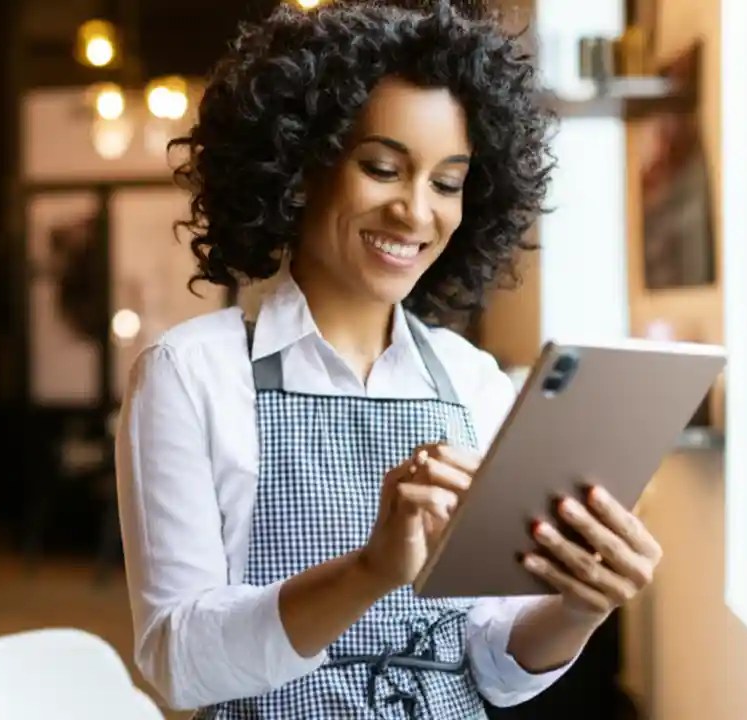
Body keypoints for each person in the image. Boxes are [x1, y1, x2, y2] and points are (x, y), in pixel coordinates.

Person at [115, 1, 665, 717]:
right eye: (382, 168)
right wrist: (373, 570)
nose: (415, 211)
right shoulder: (191, 375)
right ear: (300, 166)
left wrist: (581, 606)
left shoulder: (472, 383)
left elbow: (493, 663)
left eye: (446, 183)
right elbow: (179, 665)